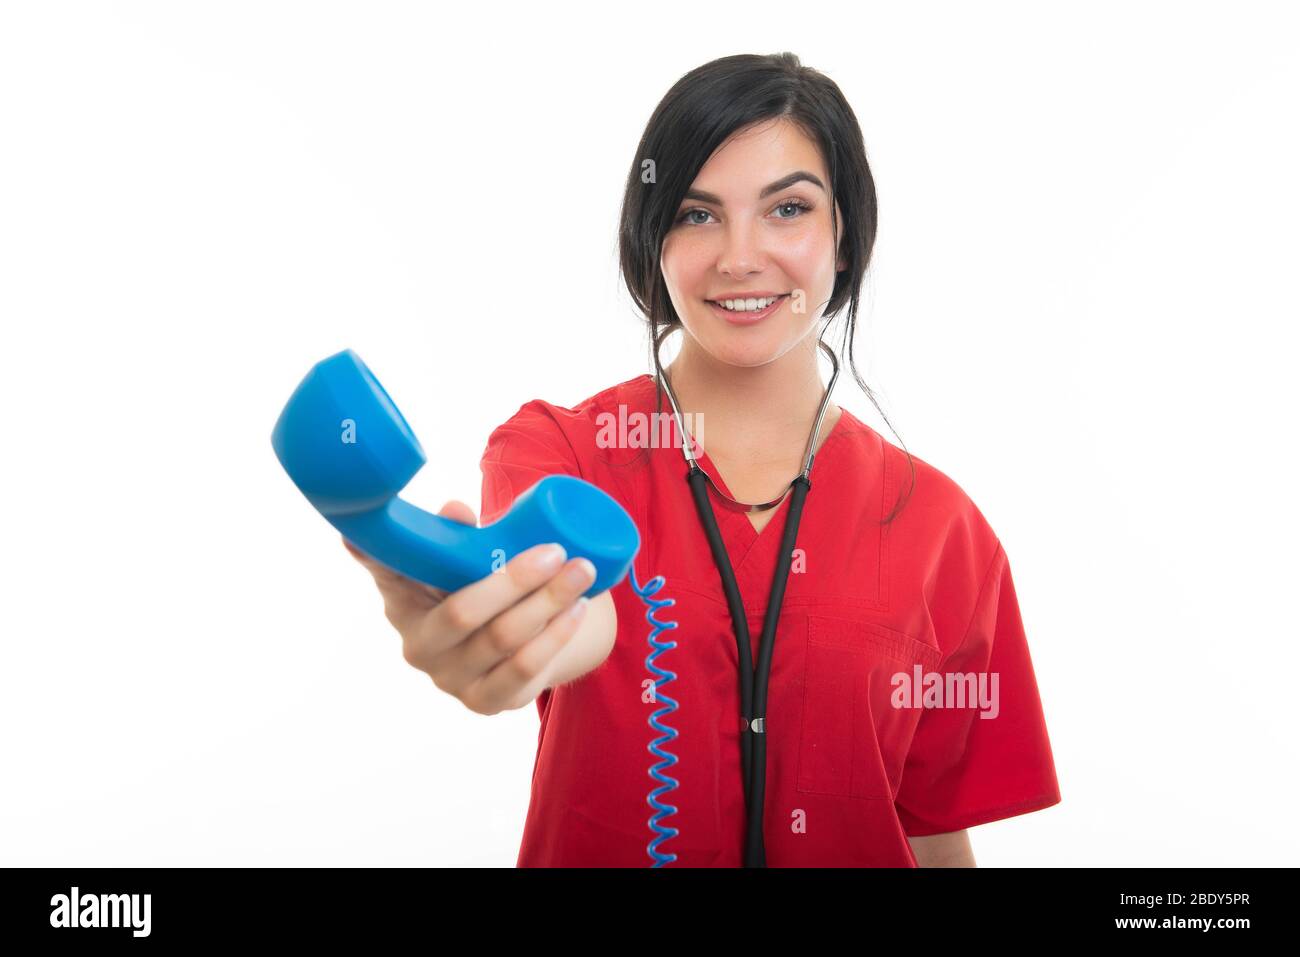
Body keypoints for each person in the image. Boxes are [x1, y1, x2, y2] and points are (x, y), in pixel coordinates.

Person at [343, 52, 1060, 867]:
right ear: (653, 241)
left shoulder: (943, 529)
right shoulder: (560, 452)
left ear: (846, 239)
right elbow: (579, 617)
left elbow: (929, 830)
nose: (738, 257)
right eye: (696, 213)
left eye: (787, 208)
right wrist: (509, 645)